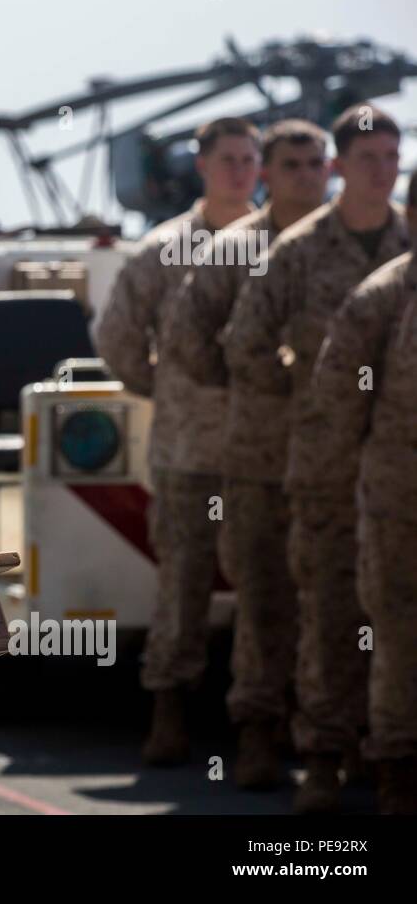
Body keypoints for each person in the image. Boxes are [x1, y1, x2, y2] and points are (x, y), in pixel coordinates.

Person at [225, 102, 409, 813]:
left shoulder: (406, 244)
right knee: (328, 613)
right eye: (368, 160)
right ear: (339, 168)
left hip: (399, 476)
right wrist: (308, 392)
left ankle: (384, 749)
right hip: (326, 469)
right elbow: (244, 342)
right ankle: (323, 756)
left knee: (392, 616)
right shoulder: (297, 252)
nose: (382, 172)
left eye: (393, 159)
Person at [161, 120, 329, 788]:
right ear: (269, 174)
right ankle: (257, 731)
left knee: (339, 604)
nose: (307, 176)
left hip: (342, 461)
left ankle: (334, 736)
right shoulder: (235, 251)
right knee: (262, 598)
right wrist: (243, 388)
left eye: (317, 164)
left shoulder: (358, 245)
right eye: (292, 165)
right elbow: (185, 334)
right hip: (257, 458)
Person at [96, 117, 260, 766]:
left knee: (266, 590)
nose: (241, 171)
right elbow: (117, 337)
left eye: (250, 159)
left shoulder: (281, 243)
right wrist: (166, 390)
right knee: (183, 586)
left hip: (266, 455)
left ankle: (260, 725)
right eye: (229, 159)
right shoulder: (164, 249)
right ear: (202, 166)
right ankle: (168, 712)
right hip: (188, 451)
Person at [298, 174, 417, 814]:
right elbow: (338, 399)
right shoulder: (383, 297)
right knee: (395, 634)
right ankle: (396, 766)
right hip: (398, 502)